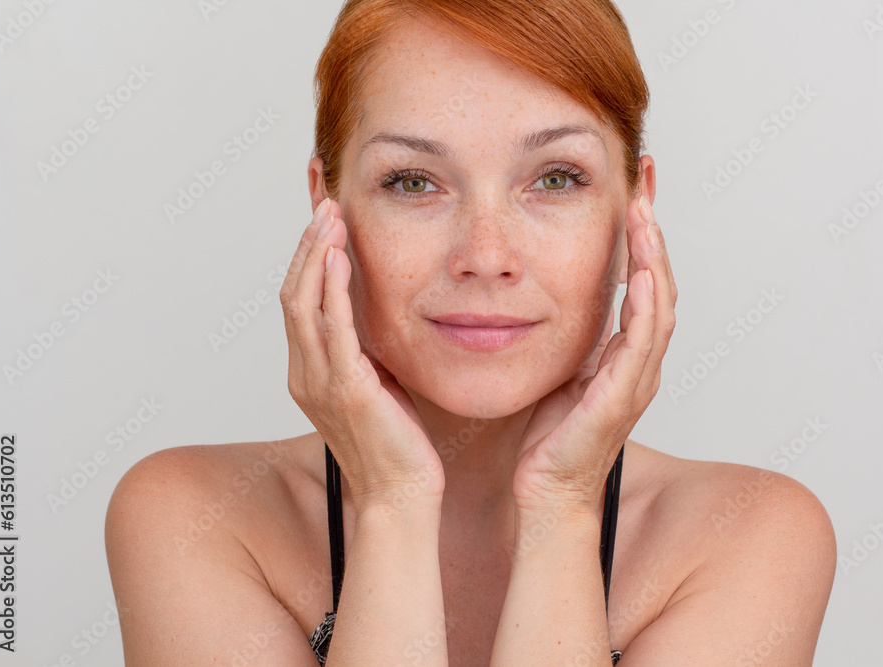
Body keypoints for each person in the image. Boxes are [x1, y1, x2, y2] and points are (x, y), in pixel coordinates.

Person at [105, 1, 836, 664]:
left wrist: (563, 506)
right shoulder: (192, 518)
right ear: (328, 210)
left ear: (633, 212)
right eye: (413, 181)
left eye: (555, 178)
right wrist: (392, 502)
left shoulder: (754, 538)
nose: (486, 256)